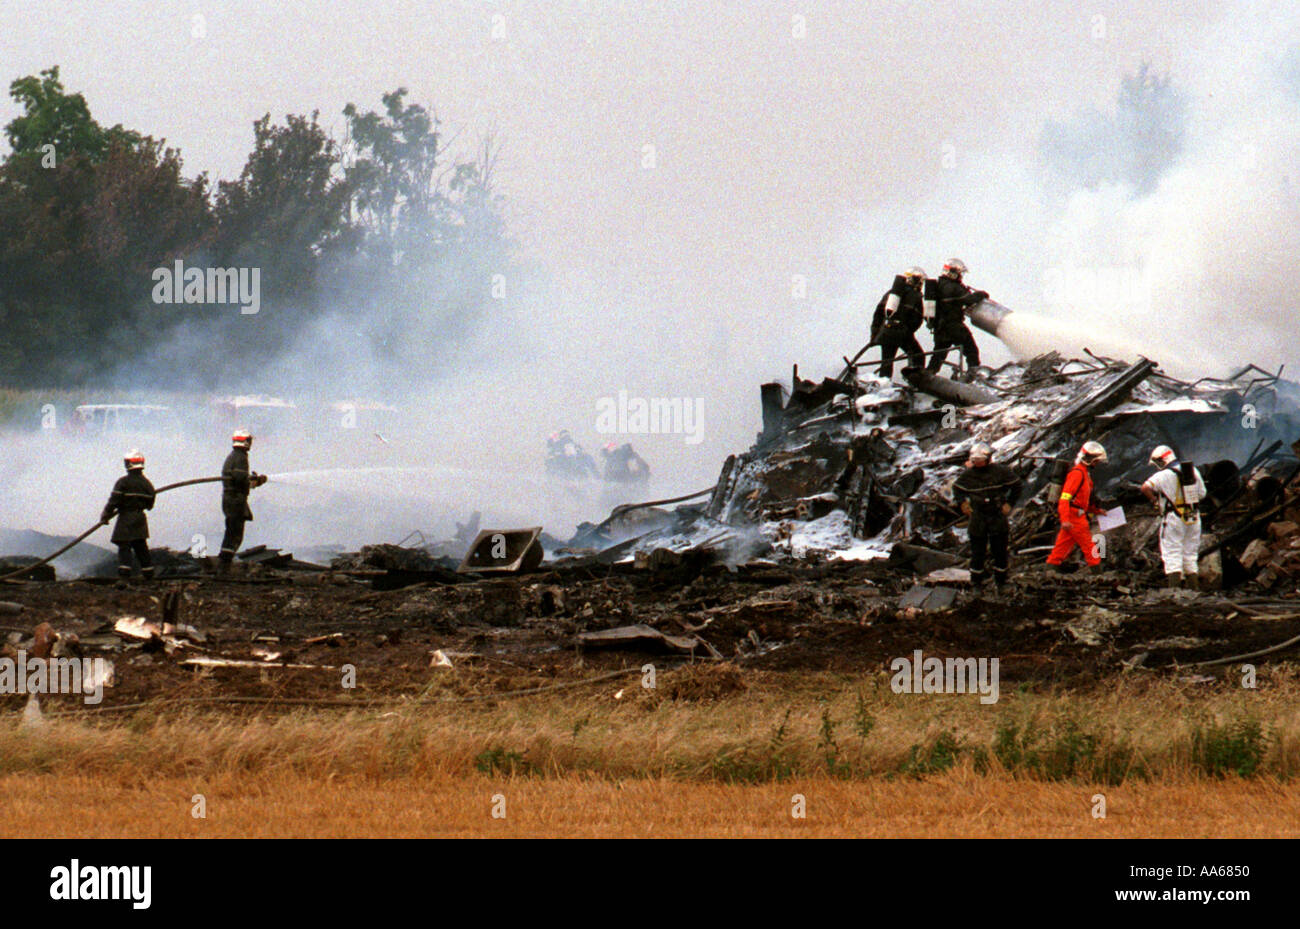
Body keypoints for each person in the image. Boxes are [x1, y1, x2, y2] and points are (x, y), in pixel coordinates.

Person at [953, 442, 1022, 593]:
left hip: (996, 515)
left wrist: (1009, 503)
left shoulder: (1000, 472)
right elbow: (957, 489)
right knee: (977, 552)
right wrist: (962, 503)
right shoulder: (968, 475)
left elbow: (1017, 486)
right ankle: (976, 584)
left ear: (988, 458)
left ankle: (1001, 582)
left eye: (980, 460)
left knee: (1000, 551)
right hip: (978, 516)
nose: (977, 463)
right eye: (975, 460)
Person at [1140, 445, 1206, 589]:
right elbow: (1202, 493)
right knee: (1190, 554)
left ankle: (1174, 591)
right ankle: (1194, 590)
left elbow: (1145, 487)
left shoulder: (1162, 475)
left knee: (1172, 554)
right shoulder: (1193, 470)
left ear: (1162, 460)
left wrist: (1154, 501)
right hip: (1193, 516)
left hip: (1173, 517)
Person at [1046, 440, 1108, 574]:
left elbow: (1083, 500)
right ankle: (1099, 575)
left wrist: (1096, 510)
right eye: (1096, 461)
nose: (1097, 464)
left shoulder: (1085, 475)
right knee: (1089, 547)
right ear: (1090, 460)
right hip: (1075, 517)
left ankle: (1049, 572)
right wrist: (1065, 519)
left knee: (1061, 547)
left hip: (1075, 515)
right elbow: (1065, 498)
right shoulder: (1077, 474)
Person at [100, 448, 156, 588]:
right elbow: (150, 504)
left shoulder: (123, 482)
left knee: (124, 546)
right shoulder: (147, 484)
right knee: (140, 546)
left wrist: (105, 515)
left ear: (128, 464)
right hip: (140, 518)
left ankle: (124, 578)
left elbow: (114, 500)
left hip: (126, 517)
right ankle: (149, 575)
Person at [926, 258, 989, 380]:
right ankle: (974, 376)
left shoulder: (939, 286)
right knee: (971, 350)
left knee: (938, 355)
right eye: (960, 274)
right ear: (953, 272)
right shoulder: (953, 287)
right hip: (954, 327)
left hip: (940, 328)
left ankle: (927, 376)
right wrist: (982, 294)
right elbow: (969, 299)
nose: (961, 277)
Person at [218, 429, 267, 574]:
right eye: (250, 441)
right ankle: (224, 567)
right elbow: (240, 480)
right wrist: (256, 482)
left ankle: (224, 565)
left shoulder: (233, 456)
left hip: (231, 499)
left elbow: (239, 478)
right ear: (245, 441)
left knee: (232, 533)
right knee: (234, 534)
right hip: (235, 500)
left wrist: (252, 480)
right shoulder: (240, 457)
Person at [870, 267, 926, 378]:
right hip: (902, 333)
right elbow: (917, 319)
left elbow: (878, 314)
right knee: (918, 356)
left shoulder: (891, 293)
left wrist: (875, 334)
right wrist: (907, 331)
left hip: (886, 331)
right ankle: (915, 381)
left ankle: (883, 385)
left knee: (886, 362)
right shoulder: (915, 296)